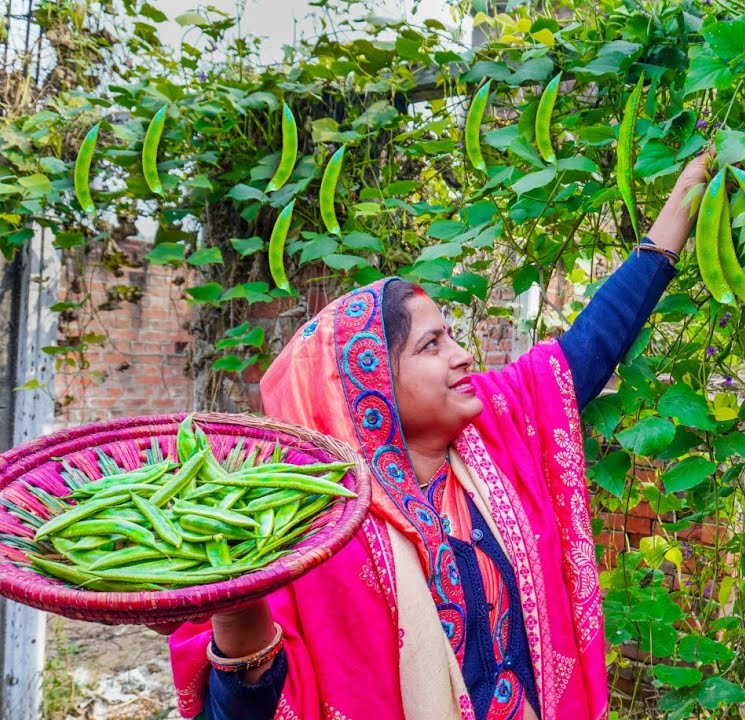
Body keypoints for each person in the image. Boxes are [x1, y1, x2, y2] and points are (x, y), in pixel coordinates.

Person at [157, 151, 711, 720]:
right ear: (370, 386)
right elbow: (239, 711)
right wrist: (237, 609)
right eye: (431, 345)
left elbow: (596, 341)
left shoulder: (494, 428)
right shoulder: (312, 537)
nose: (463, 354)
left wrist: (686, 195)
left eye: (450, 336)